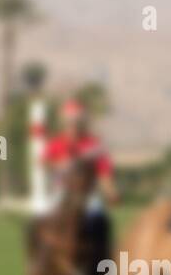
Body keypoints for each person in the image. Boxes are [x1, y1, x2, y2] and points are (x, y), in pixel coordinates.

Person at [42, 97, 119, 253]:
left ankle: (102, 259)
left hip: (88, 194)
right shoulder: (56, 144)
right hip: (61, 191)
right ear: (64, 122)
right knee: (43, 219)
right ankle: (41, 258)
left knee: (98, 217)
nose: (73, 125)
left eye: (76, 121)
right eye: (70, 121)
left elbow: (104, 172)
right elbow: (44, 164)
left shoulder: (94, 146)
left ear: (83, 122)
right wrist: (59, 164)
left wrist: (111, 191)